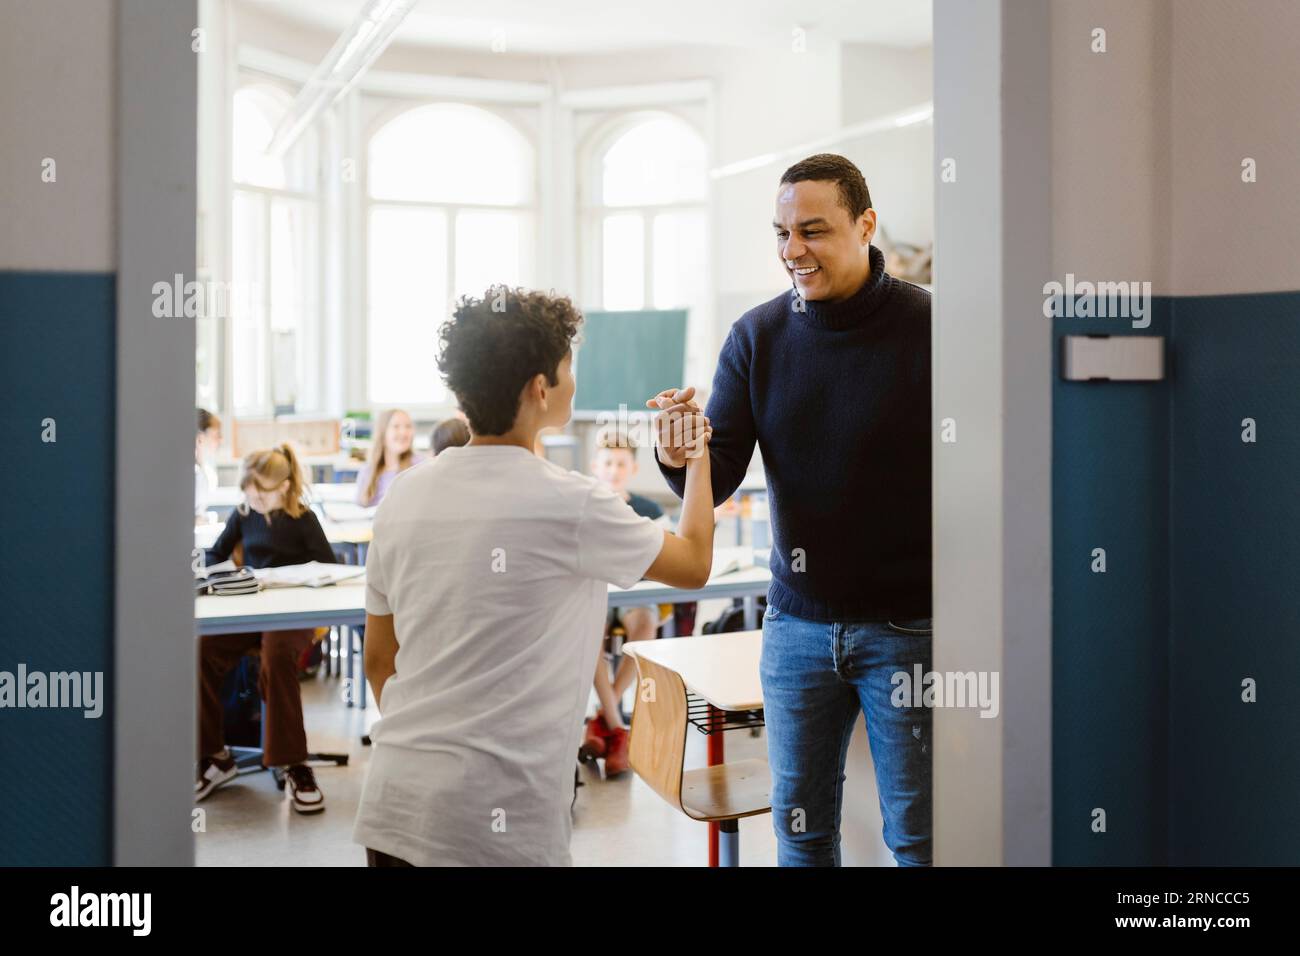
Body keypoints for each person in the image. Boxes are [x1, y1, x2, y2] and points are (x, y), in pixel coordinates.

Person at [352, 287, 714, 867]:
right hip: (497, 822)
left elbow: (378, 660)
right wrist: (696, 456)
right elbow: (694, 563)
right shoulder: (573, 503)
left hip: (395, 806)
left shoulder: (404, 496)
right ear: (540, 389)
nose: (574, 378)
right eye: (568, 365)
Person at [650, 154, 933, 866]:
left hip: (911, 627)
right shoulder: (757, 338)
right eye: (781, 234)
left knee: (921, 839)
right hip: (796, 629)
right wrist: (679, 452)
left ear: (865, 225)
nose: (792, 251)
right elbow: (712, 482)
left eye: (812, 231)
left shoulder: (932, 326)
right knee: (801, 833)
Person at [195, 443, 337, 814]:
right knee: (201, 648)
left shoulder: (303, 518)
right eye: (248, 492)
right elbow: (214, 553)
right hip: (251, 612)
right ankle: (215, 755)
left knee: (276, 654)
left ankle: (293, 763)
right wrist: (229, 572)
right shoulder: (243, 514)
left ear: (286, 487)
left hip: (293, 616)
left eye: (261, 493)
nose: (253, 500)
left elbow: (329, 567)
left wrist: (297, 579)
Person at [581, 425, 671, 775]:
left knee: (645, 624)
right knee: (589, 630)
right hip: (598, 593)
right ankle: (618, 726)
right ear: (595, 466)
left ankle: (606, 715)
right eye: (608, 464)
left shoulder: (649, 509)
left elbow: (664, 556)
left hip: (638, 592)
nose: (614, 471)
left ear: (633, 469)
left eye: (621, 465)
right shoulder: (586, 505)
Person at [356, 408, 424, 507]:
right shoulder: (368, 471)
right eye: (396, 426)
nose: (403, 432)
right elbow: (359, 506)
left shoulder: (422, 466)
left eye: (408, 426)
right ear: (383, 432)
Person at [195, 408, 221, 523]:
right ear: (200, 438)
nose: (221, 439)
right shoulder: (193, 474)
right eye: (216, 435)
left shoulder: (205, 471)